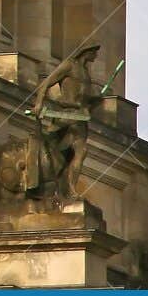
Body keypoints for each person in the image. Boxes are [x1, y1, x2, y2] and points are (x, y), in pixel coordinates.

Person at [29, 42, 101, 198]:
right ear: (86, 52)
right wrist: (39, 103)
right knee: (55, 150)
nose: (96, 56)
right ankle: (45, 180)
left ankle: (71, 189)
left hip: (80, 117)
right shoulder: (69, 65)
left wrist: (94, 101)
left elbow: (83, 98)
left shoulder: (85, 72)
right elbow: (46, 83)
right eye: (94, 52)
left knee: (81, 152)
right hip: (66, 114)